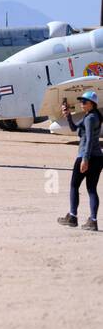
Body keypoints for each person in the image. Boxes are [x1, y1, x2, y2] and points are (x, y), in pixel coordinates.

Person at [59, 90, 102, 230]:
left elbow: (89, 139)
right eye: (81, 101)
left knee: (74, 186)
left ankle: (72, 217)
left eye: (84, 102)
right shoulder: (91, 116)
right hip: (98, 157)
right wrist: (68, 116)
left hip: (87, 156)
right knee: (91, 189)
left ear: (92, 104)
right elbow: (74, 129)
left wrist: (85, 159)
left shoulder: (90, 118)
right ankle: (93, 221)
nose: (81, 104)